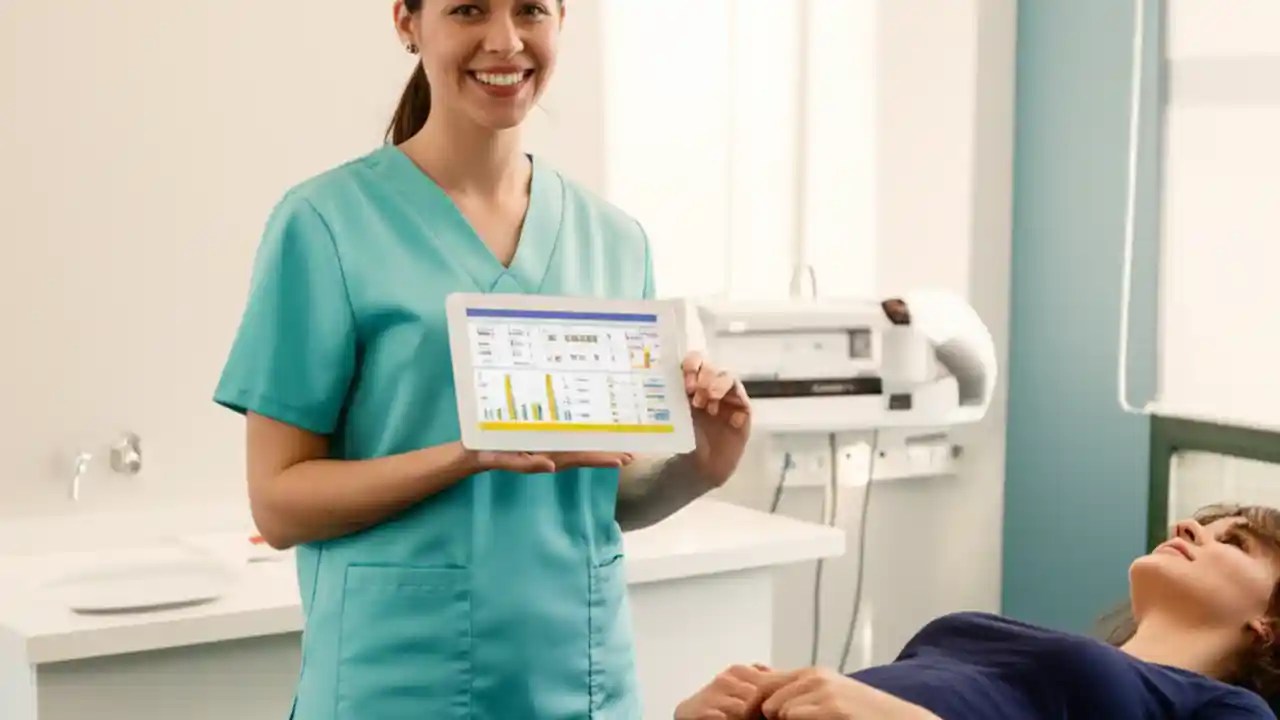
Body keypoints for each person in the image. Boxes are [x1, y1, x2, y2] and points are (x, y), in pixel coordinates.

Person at [212, 1, 752, 718]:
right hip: (400, 686)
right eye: (469, 8)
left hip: (581, 683)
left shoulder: (615, 241)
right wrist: (465, 454)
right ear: (407, 21)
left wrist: (701, 465)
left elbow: (593, 498)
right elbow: (279, 505)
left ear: (561, 19)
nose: (505, 40)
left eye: (530, 9)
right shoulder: (325, 225)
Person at [674, 503, 1280, 719]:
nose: (1188, 527)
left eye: (1232, 542)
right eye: (1203, 522)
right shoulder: (1016, 641)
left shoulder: (1223, 707)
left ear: (1269, 627)